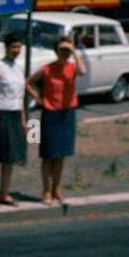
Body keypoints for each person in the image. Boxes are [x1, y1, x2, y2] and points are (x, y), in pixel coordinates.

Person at [27, 33, 86, 205]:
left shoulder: (72, 67)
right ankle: (46, 190)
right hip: (50, 113)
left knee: (61, 156)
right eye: (62, 50)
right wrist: (39, 99)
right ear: (56, 51)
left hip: (67, 113)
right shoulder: (47, 69)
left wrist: (74, 51)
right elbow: (28, 82)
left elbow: (83, 71)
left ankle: (57, 189)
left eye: (67, 50)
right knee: (48, 155)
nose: (65, 53)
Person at [0, 32, 29, 208]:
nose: (16, 50)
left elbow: (20, 96)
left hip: (15, 114)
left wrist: (23, 121)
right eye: (13, 47)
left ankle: (5, 193)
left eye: (19, 47)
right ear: (7, 48)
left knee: (10, 157)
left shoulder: (19, 68)